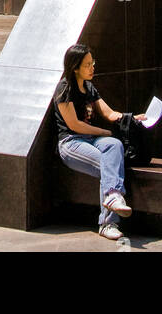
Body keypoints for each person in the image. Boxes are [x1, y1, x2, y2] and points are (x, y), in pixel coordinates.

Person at [53, 43, 146, 243]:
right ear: (75, 67)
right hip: (71, 143)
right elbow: (74, 125)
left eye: (92, 62)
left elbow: (109, 113)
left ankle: (113, 195)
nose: (92, 67)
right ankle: (108, 223)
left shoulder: (89, 87)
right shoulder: (64, 88)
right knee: (109, 163)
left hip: (92, 140)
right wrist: (103, 131)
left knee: (114, 146)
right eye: (87, 64)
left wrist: (131, 118)